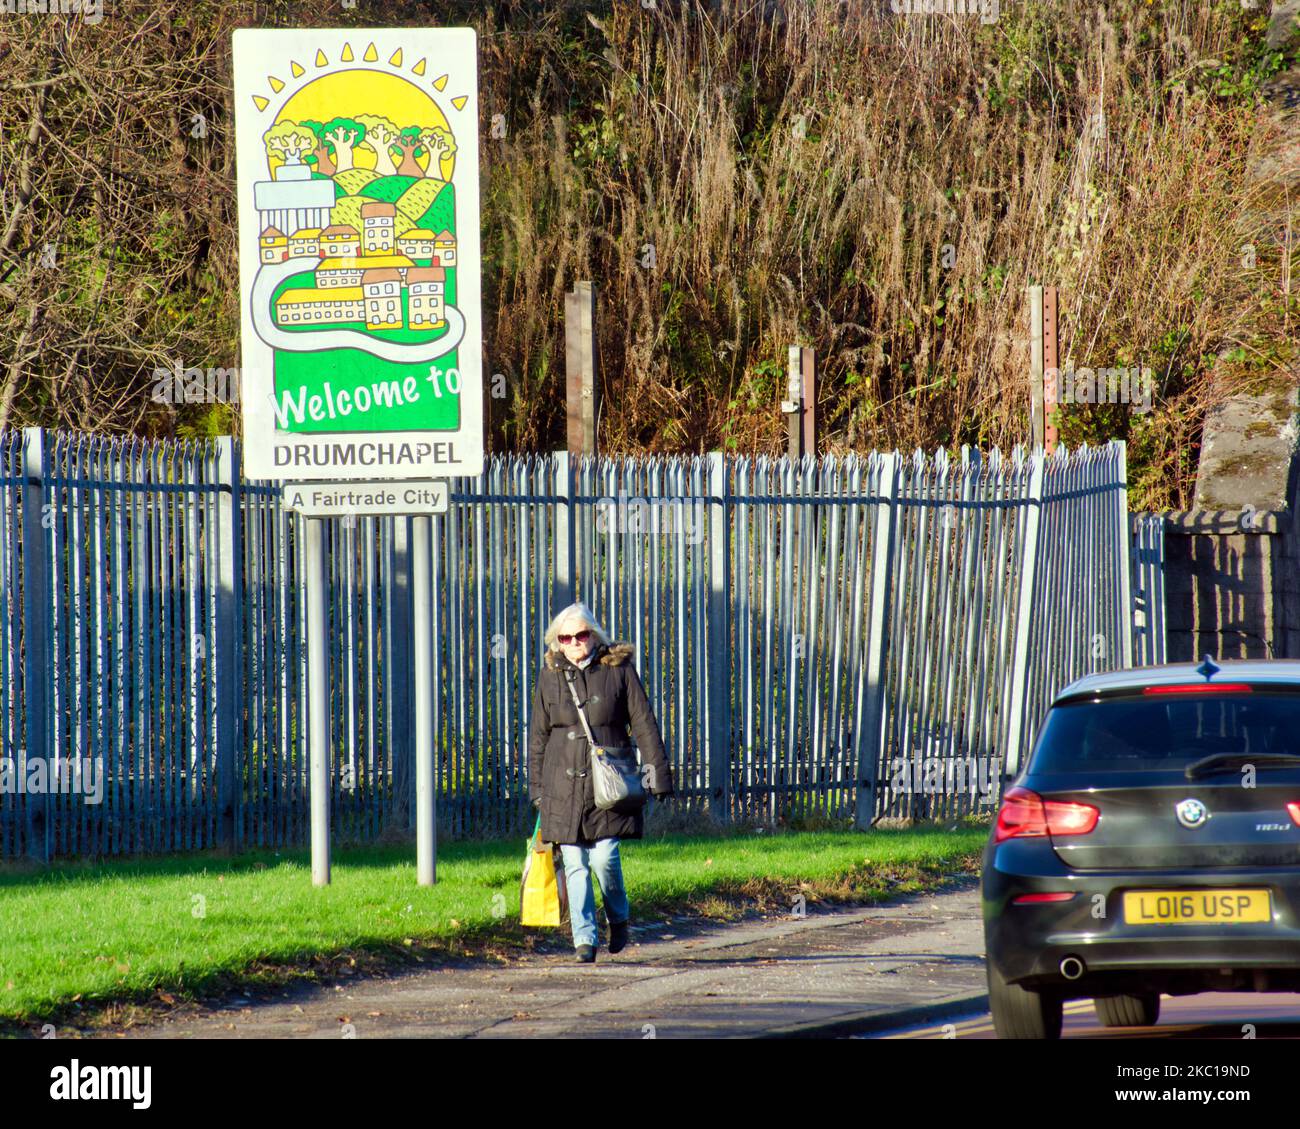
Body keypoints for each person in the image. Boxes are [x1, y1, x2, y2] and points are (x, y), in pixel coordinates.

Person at [527, 602, 673, 962]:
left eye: (581, 635)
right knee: (575, 862)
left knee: (605, 856)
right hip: (562, 787)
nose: (575, 642)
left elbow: (644, 722)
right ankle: (584, 940)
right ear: (557, 642)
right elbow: (537, 737)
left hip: (608, 783)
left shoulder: (619, 670)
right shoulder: (549, 676)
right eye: (567, 637)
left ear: (593, 635)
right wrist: (537, 791)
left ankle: (619, 916)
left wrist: (657, 775)